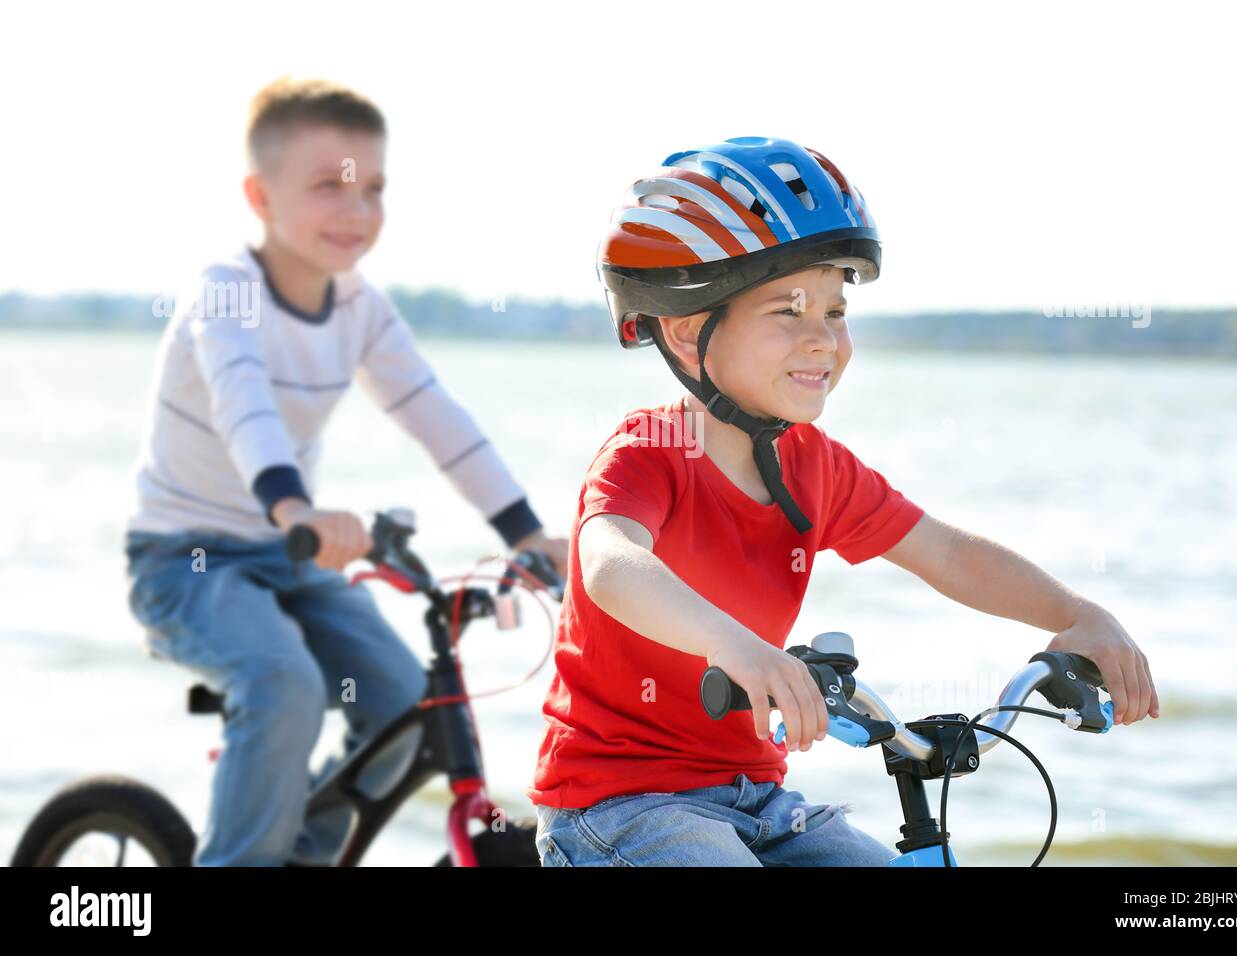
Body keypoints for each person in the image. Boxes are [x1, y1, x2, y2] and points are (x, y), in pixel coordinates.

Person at [528, 136, 1159, 866]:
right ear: (686, 331)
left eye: (836, 309)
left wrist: (1080, 616)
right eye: (788, 312)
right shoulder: (652, 451)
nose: (823, 338)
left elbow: (948, 554)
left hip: (760, 801)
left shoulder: (814, 468)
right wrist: (732, 643)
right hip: (623, 804)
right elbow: (608, 562)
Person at [123, 76, 567, 866]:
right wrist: (294, 509)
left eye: (374, 189)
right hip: (183, 561)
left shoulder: (360, 307)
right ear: (260, 196)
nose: (358, 211)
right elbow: (244, 407)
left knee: (404, 701)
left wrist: (527, 533)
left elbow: (437, 417)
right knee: (282, 683)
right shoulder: (225, 294)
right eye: (329, 186)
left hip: (285, 556)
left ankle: (300, 854)